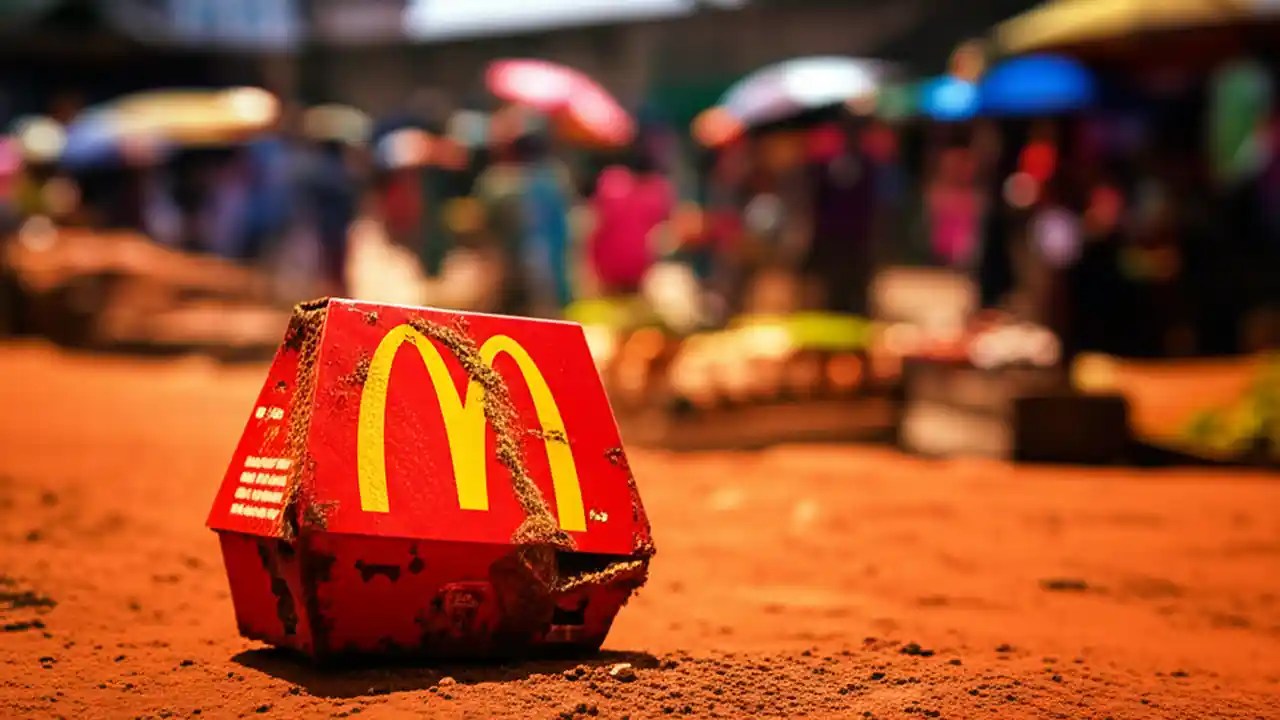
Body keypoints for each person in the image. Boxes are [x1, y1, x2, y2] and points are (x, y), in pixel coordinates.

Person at [587, 144, 673, 295]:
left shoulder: (610, 183)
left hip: (608, 266)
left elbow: (595, 223)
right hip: (638, 267)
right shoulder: (658, 191)